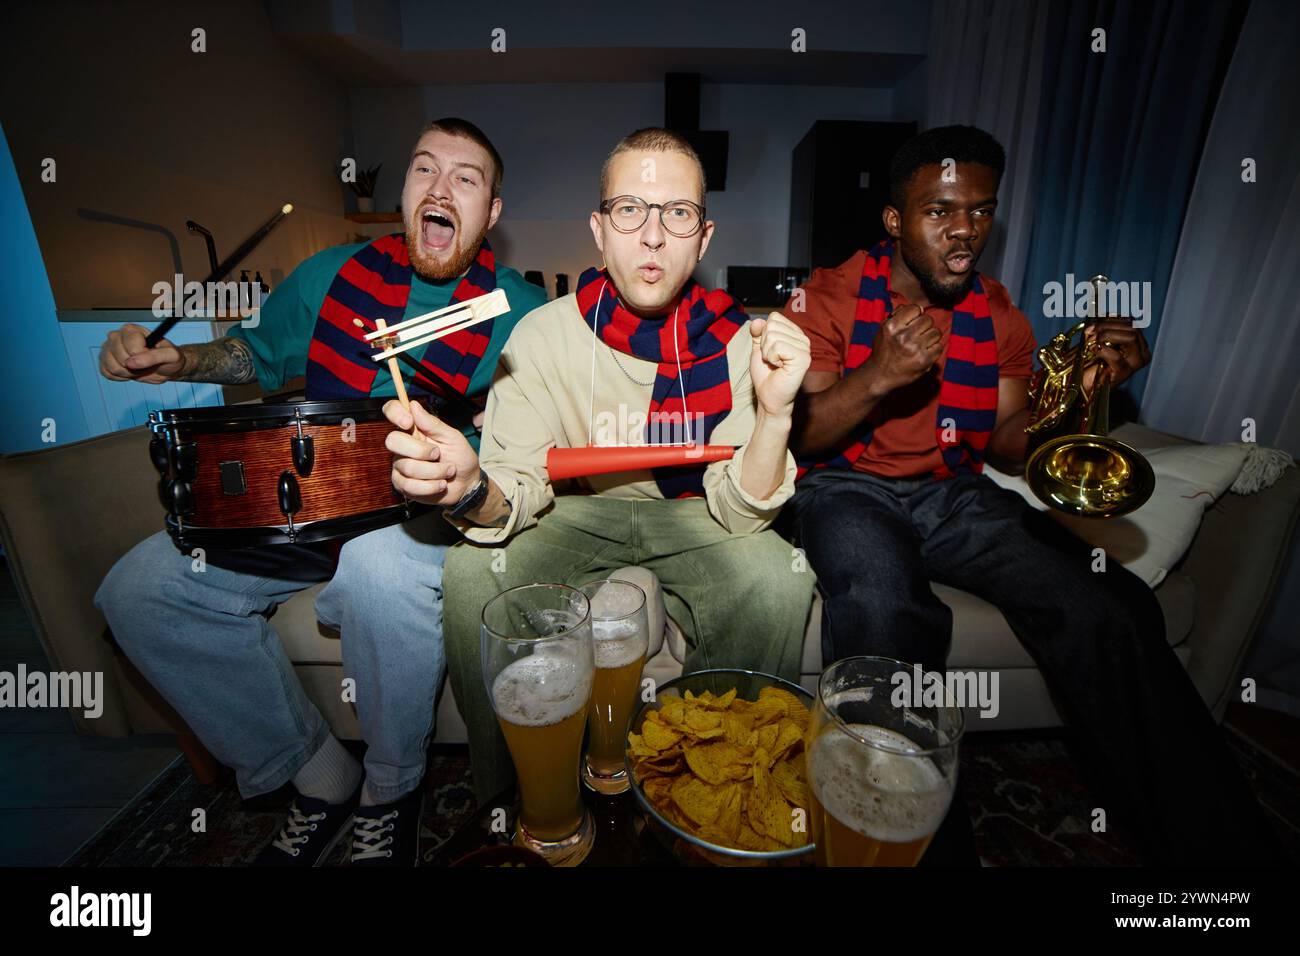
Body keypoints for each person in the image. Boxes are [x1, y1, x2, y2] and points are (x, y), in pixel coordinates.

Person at [781, 124, 1279, 865]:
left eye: (980, 212)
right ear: (894, 220)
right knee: (885, 612)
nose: (965, 232)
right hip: (846, 488)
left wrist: (1081, 394)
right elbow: (808, 436)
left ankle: (1227, 863)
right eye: (941, 211)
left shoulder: (998, 314)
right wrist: (880, 374)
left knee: (1106, 606)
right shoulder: (826, 296)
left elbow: (1009, 440)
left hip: (954, 492)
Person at [93, 118, 546, 866]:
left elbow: (546, 433)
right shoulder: (332, 274)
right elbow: (256, 352)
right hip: (304, 499)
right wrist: (177, 359)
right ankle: (317, 770)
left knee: (378, 565)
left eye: (465, 179)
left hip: (421, 517)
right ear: (404, 191)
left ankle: (393, 788)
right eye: (424, 170)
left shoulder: (521, 310)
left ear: (491, 211)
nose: (439, 188)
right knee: (138, 590)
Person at [381, 128, 817, 804]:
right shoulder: (541, 336)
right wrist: (468, 488)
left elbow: (741, 510)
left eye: (677, 213)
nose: (652, 236)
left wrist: (778, 413)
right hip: (574, 510)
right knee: (474, 572)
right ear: (599, 229)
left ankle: (730, 800)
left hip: (693, 513)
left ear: (703, 239)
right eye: (629, 210)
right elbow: (518, 489)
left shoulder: (741, 342)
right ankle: (512, 807)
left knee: (777, 582)